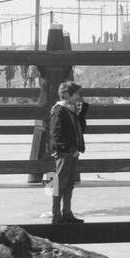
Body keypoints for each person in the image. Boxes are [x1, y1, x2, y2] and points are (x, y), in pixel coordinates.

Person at [48, 81, 90, 224]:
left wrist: (82, 112)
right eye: (77, 94)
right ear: (67, 95)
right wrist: (69, 148)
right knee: (59, 183)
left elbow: (81, 128)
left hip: (72, 152)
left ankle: (67, 212)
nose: (79, 96)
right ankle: (56, 214)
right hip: (64, 152)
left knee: (69, 183)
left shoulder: (71, 110)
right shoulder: (59, 110)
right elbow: (56, 133)